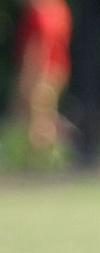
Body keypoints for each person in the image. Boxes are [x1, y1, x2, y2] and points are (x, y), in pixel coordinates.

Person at [11, 0, 72, 164]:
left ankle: (43, 161)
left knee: (37, 121)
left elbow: (38, 48)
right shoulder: (59, 7)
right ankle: (51, 159)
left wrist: (29, 78)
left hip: (42, 72)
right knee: (45, 117)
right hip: (58, 70)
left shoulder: (39, 12)